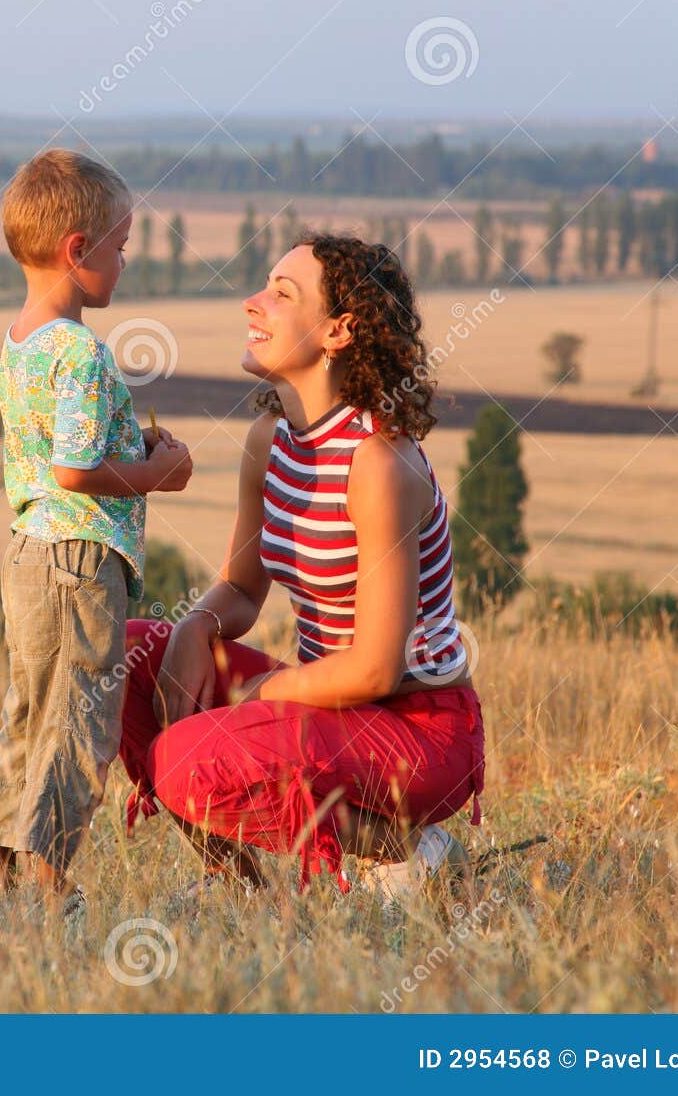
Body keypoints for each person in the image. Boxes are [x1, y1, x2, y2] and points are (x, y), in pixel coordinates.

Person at [116, 232, 484, 907]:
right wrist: (195, 626)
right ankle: (237, 894)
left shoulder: (377, 463)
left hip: (416, 730)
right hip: (329, 708)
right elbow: (243, 588)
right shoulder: (269, 441)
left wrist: (249, 705)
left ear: (338, 331)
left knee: (186, 756)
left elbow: (375, 670)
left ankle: (409, 849)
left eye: (281, 295)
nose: (252, 304)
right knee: (128, 655)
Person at [0, 150, 193, 906]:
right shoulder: (81, 350)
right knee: (81, 720)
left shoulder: (22, 339)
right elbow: (76, 469)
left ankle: (0, 870)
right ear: (78, 249)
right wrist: (159, 474)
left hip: (30, 553)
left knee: (29, 708)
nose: (124, 262)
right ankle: (50, 880)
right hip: (76, 560)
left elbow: (58, 455)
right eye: (120, 246)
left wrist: (137, 453)